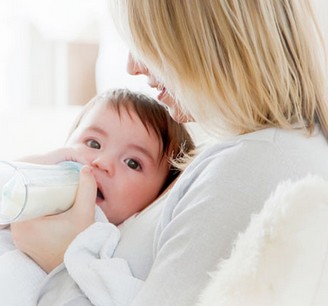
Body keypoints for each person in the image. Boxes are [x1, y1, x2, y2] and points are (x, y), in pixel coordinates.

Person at [8, 1, 328, 305]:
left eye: (149, 41)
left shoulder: (251, 169)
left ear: (204, 39)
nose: (132, 66)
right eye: (93, 143)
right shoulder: (253, 153)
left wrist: (60, 259)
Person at [0, 88, 195, 304]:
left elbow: (116, 297)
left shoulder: (112, 244)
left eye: (132, 163)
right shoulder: (44, 191)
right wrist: (40, 165)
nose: (102, 162)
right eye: (93, 144)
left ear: (157, 198)